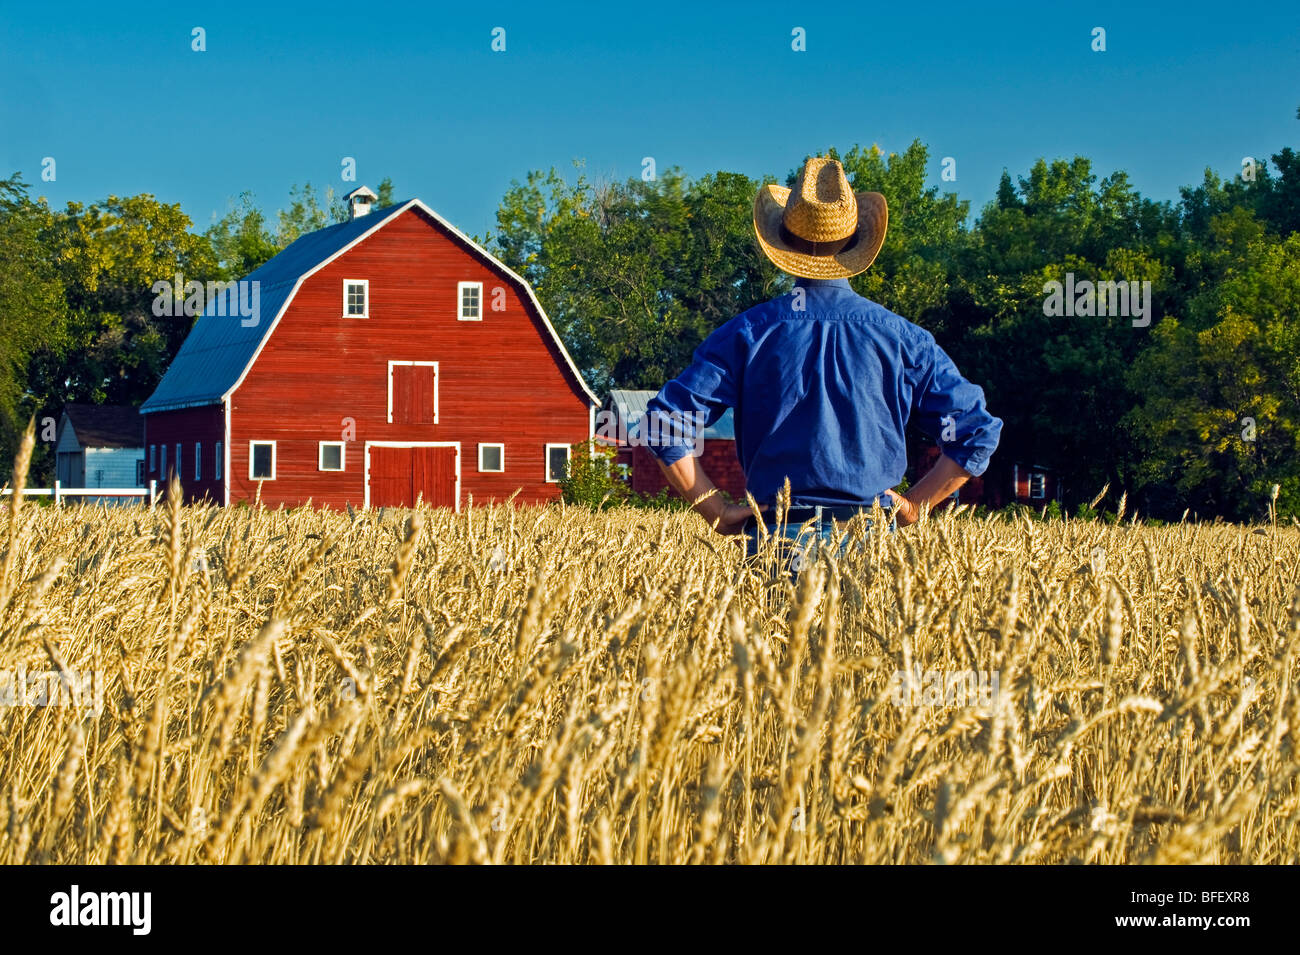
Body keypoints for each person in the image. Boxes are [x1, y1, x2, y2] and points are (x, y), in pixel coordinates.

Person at [642, 155, 1002, 566]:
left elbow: (663, 423)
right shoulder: (903, 338)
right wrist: (917, 504)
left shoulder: (749, 331)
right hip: (873, 542)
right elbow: (975, 431)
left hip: (779, 540)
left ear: (785, 241)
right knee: (864, 633)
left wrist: (715, 510)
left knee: (773, 632)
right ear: (853, 242)